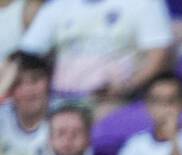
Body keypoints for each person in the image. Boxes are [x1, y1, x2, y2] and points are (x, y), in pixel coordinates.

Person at [18, 0, 171, 109]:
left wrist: (126, 88)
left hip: (118, 102)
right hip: (60, 102)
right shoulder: (58, 6)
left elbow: (159, 56)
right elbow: (26, 54)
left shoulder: (144, 3)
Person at [0, 52, 51, 155]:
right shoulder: (3, 117)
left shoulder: (58, 125)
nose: (29, 90)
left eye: (35, 80)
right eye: (18, 83)